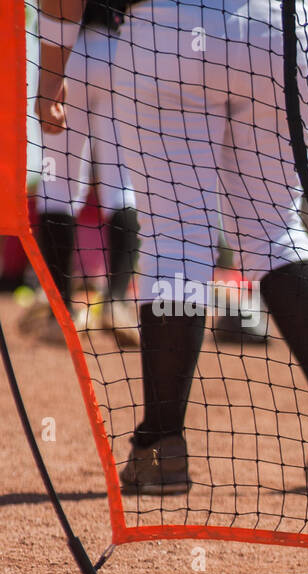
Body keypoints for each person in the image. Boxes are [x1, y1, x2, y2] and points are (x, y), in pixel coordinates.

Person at [36, 0, 308, 495]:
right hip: (279, 32)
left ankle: (161, 448)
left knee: (176, 236)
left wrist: (49, 74)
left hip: (171, 33)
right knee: (273, 228)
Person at [25, 0, 140, 347]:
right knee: (122, 184)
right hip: (124, 50)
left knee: (57, 185)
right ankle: (116, 300)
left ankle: (61, 312)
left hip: (65, 49)